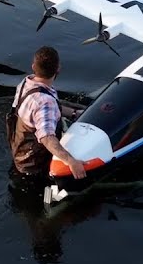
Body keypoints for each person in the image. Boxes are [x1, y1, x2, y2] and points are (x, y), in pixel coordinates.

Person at [7, 46, 86, 184]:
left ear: (33, 67)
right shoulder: (45, 102)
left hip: (19, 157)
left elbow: (46, 111)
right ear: (58, 69)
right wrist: (71, 161)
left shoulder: (26, 83)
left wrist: (73, 113)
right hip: (34, 169)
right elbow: (47, 138)